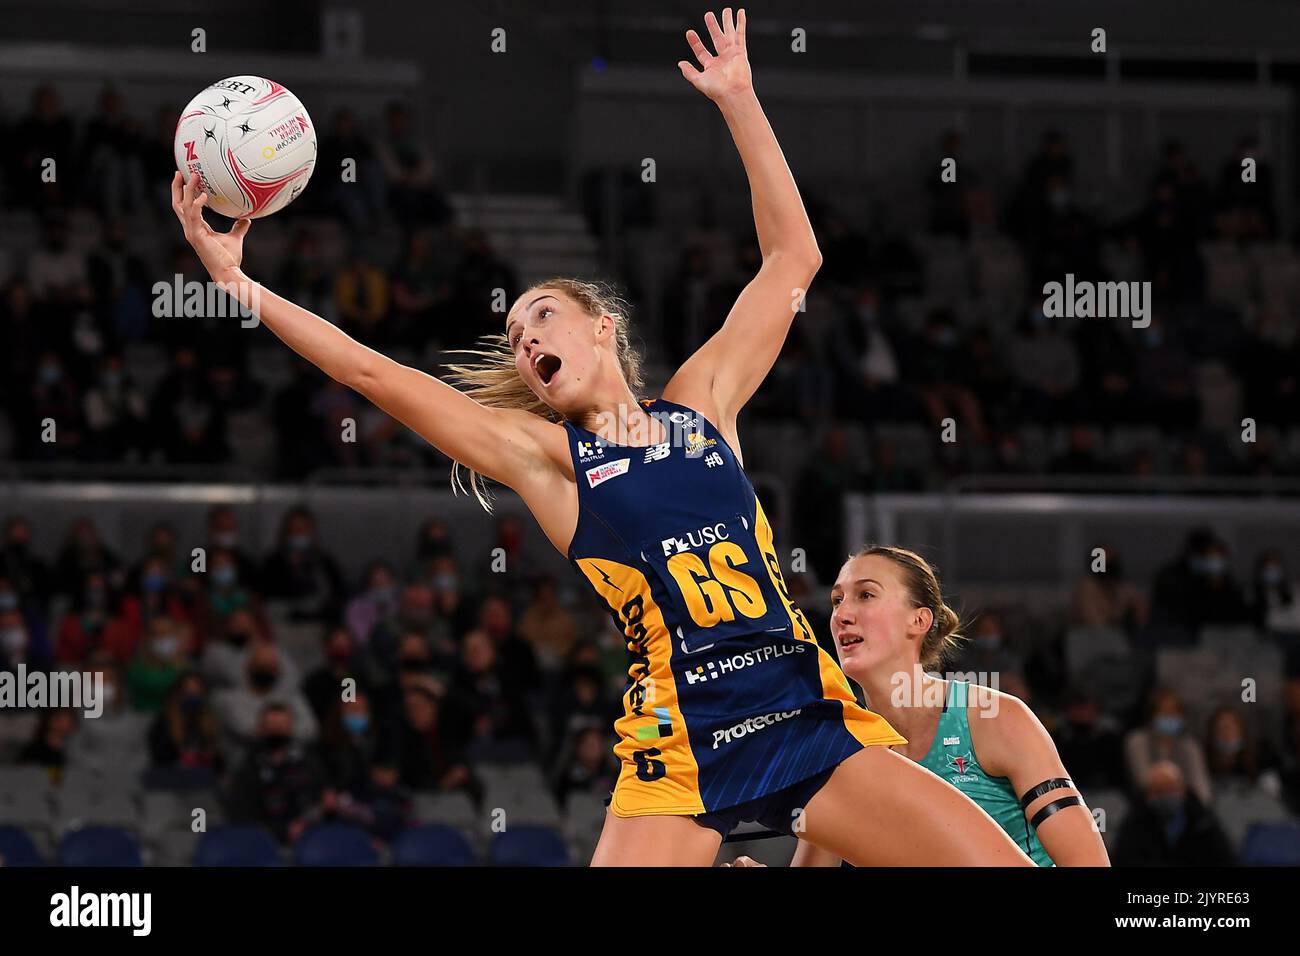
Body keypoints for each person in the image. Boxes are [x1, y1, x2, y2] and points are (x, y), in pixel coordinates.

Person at [169, 8, 1030, 867]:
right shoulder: (549, 462)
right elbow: (376, 376)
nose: (527, 340)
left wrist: (739, 100)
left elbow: (792, 259)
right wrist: (240, 283)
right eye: (514, 338)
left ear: (602, 329)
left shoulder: (702, 405)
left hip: (805, 716)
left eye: (543, 318)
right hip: (681, 743)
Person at [733, 547, 1109, 867]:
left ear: (920, 619)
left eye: (866, 595)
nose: (842, 614)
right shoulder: (837, 747)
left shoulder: (994, 718)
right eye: (837, 600)